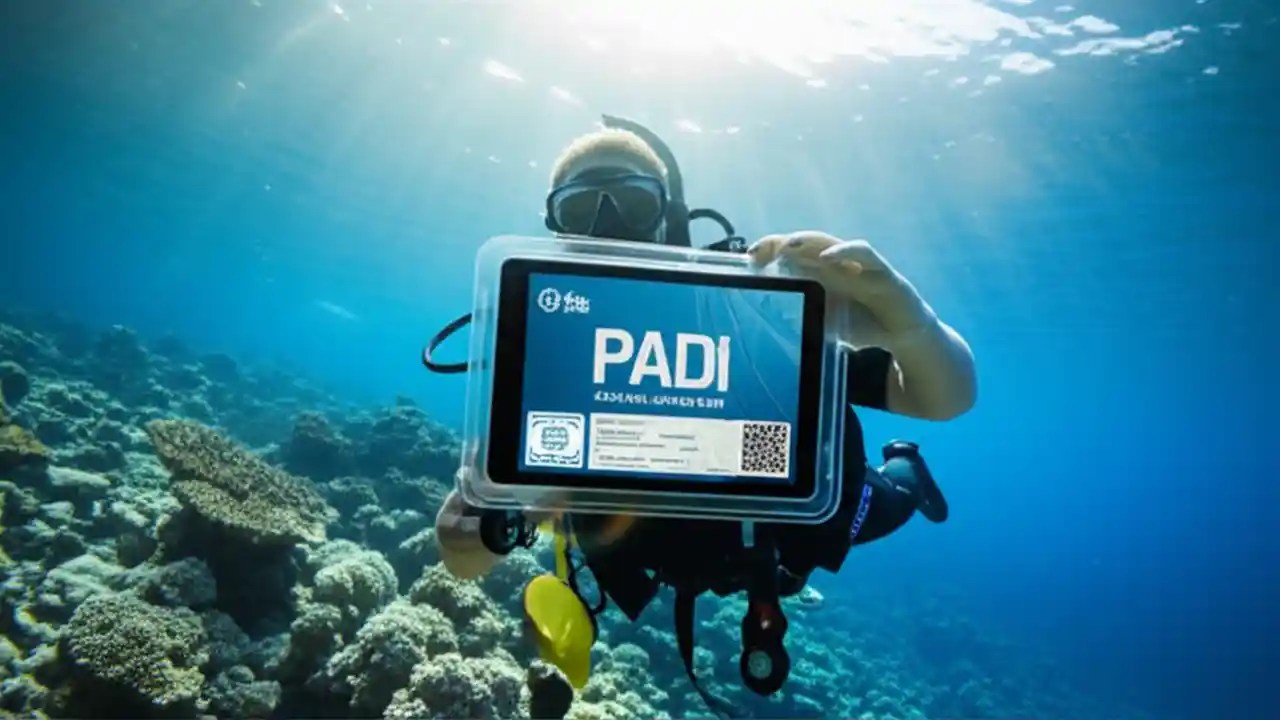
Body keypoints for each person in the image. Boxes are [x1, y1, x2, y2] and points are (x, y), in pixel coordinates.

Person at [430, 115, 976, 713]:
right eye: (581, 208)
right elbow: (464, 558)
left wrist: (909, 322)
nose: (607, 227)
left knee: (887, 502)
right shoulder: (544, 349)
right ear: (555, 230)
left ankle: (906, 469)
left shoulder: (755, 309)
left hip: (791, 540)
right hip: (667, 559)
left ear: (673, 217)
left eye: (633, 204)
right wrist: (476, 528)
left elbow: (941, 397)